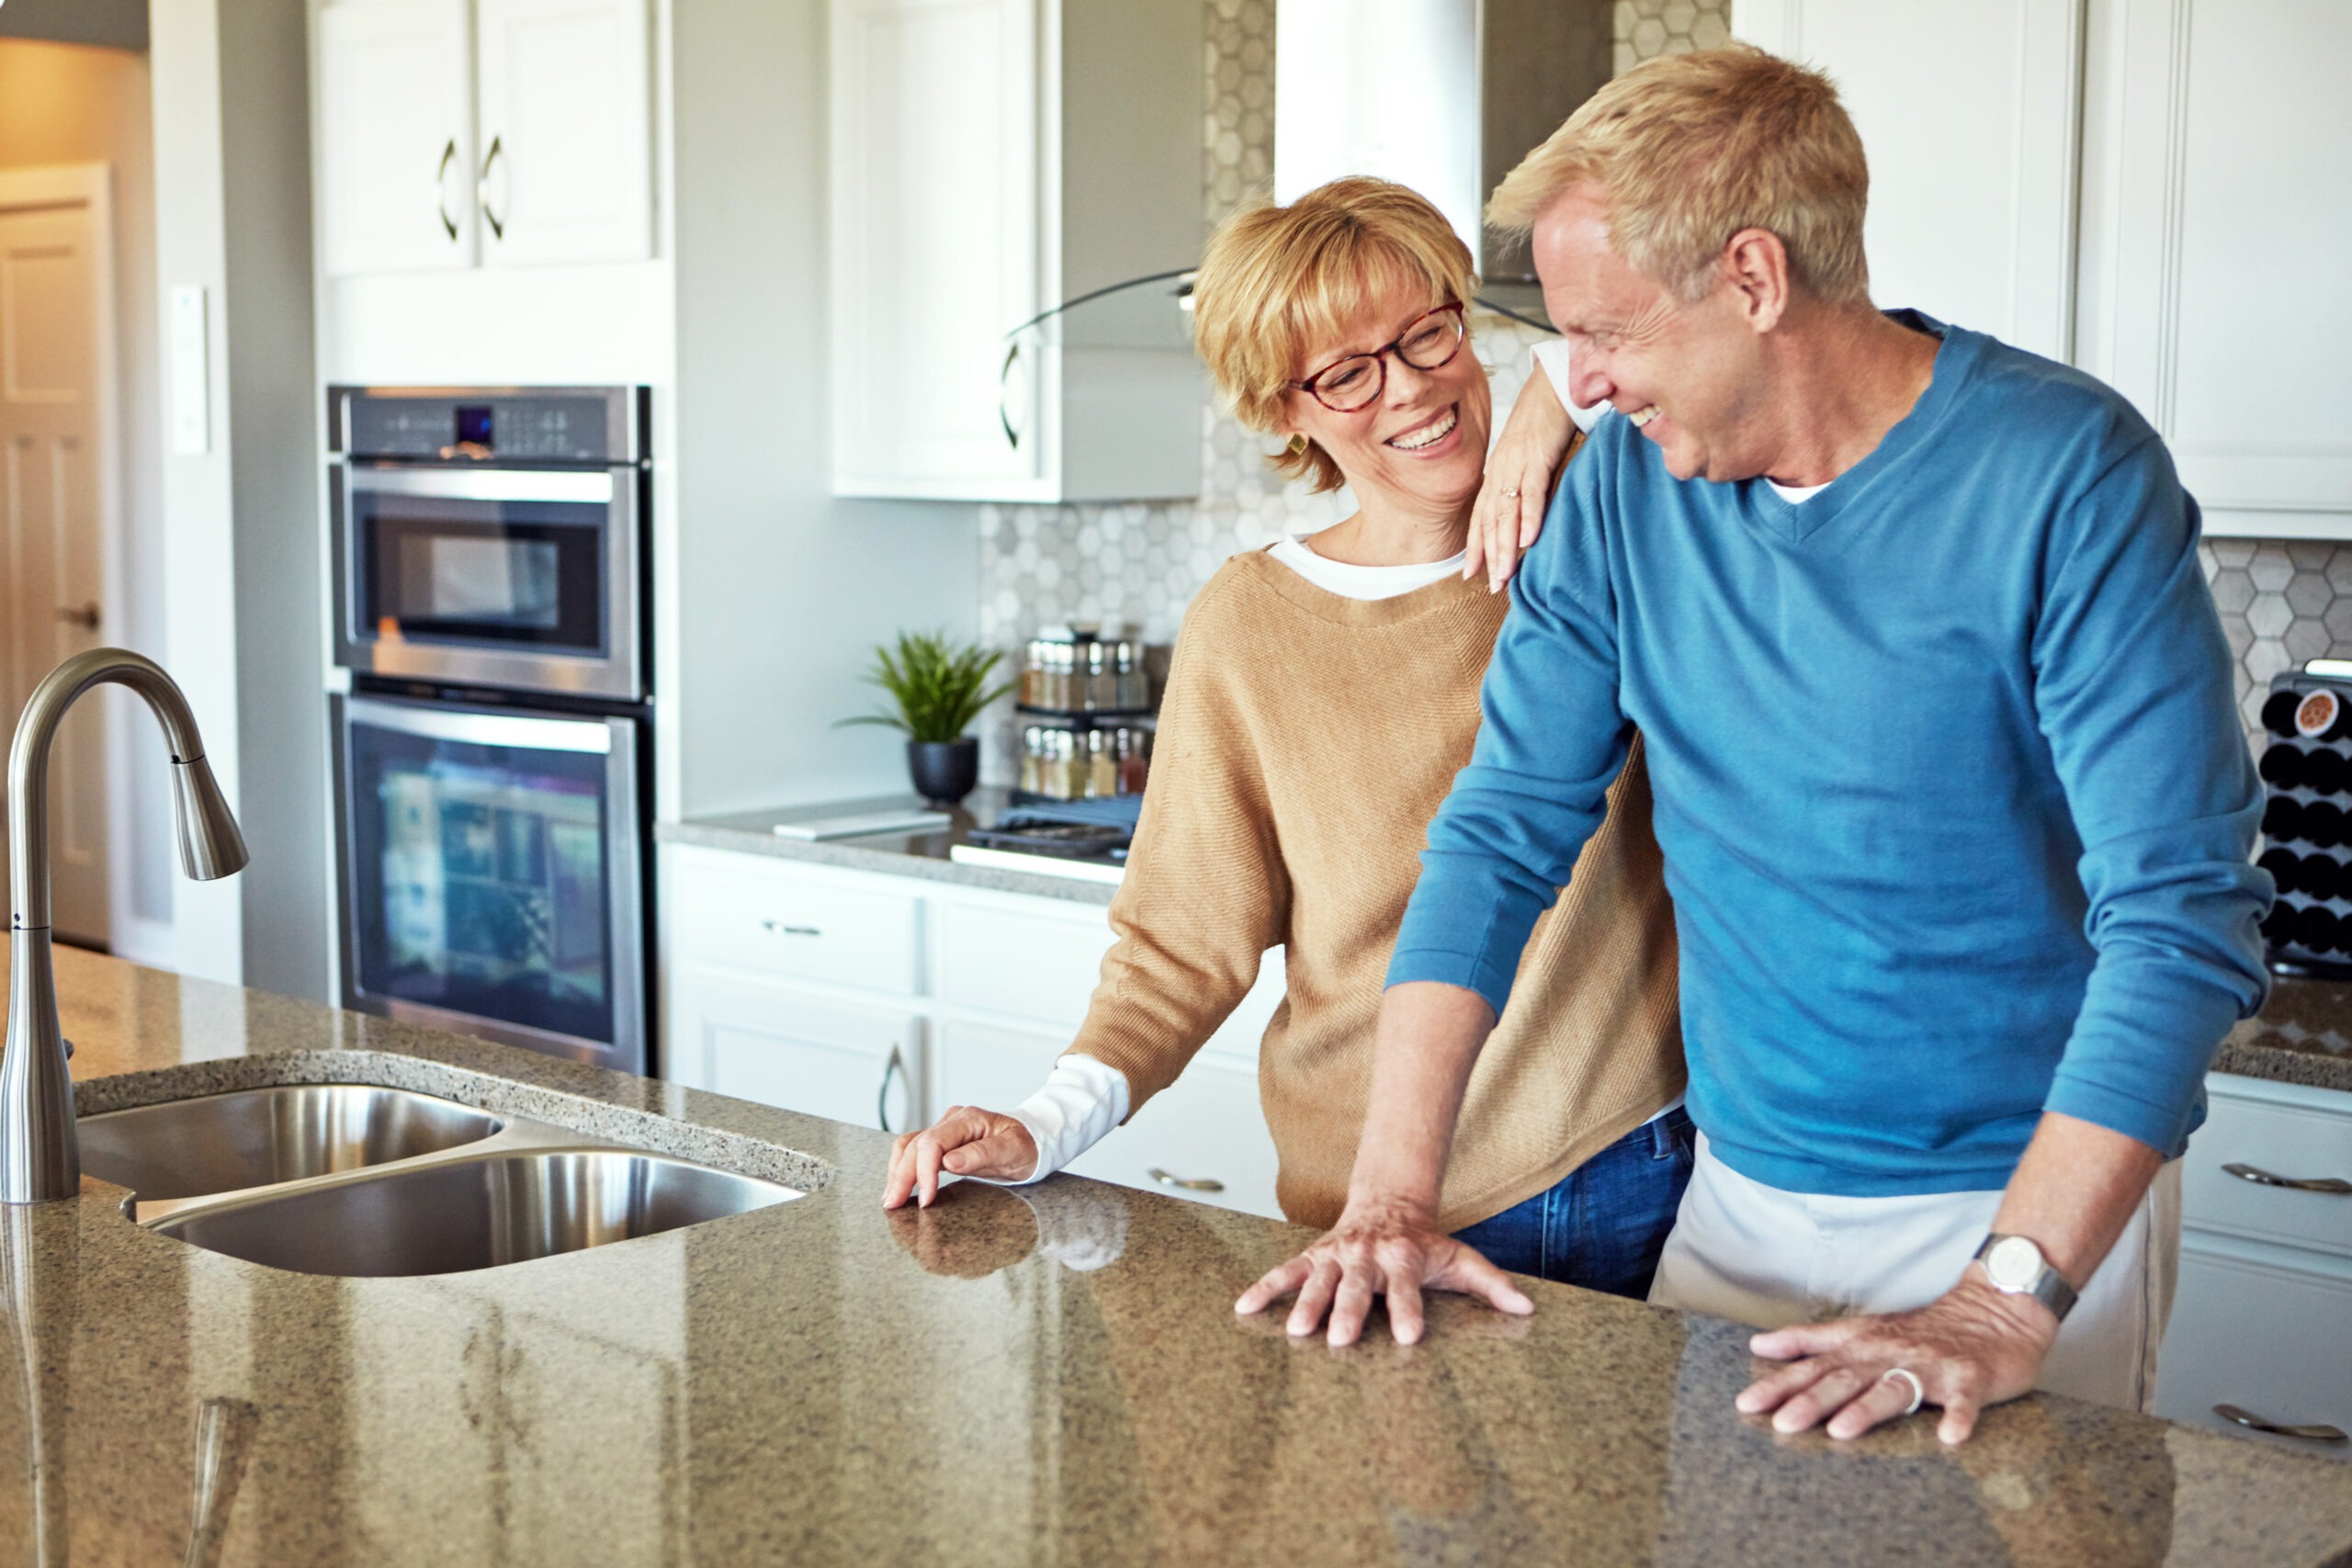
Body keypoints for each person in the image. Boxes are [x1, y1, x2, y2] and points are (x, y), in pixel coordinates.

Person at [1242, 47, 2271, 1449]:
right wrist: (1389, 1198)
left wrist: (2005, 1294)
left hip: (2017, 1210)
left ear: (1753, 278)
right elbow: (1499, 835)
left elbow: (2183, 919)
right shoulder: (1621, 493)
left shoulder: (2070, 474)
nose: (1577, 383)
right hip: (1734, 1198)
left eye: (1603, 331)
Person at [882, 176, 1691, 1307]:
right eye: (1348, 372)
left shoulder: (1599, 529)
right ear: (1284, 413)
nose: (1411, 386)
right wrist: (1043, 1124)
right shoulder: (1250, 625)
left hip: (1591, 1161)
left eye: (1427, 333)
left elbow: (1718, 316)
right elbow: (1180, 943)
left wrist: (1559, 389)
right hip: (1343, 1189)